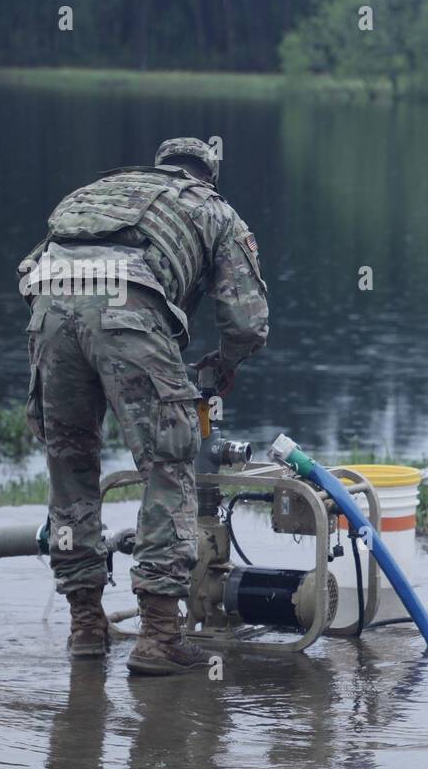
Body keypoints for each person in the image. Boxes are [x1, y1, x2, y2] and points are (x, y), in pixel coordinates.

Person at [20, 137, 269, 676]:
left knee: (71, 467)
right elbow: (247, 321)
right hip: (125, 310)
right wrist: (224, 364)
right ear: (210, 175)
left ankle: (86, 626)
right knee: (167, 461)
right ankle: (158, 637)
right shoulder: (212, 208)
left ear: (161, 168)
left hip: (48, 312)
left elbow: (35, 268)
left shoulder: (101, 191)